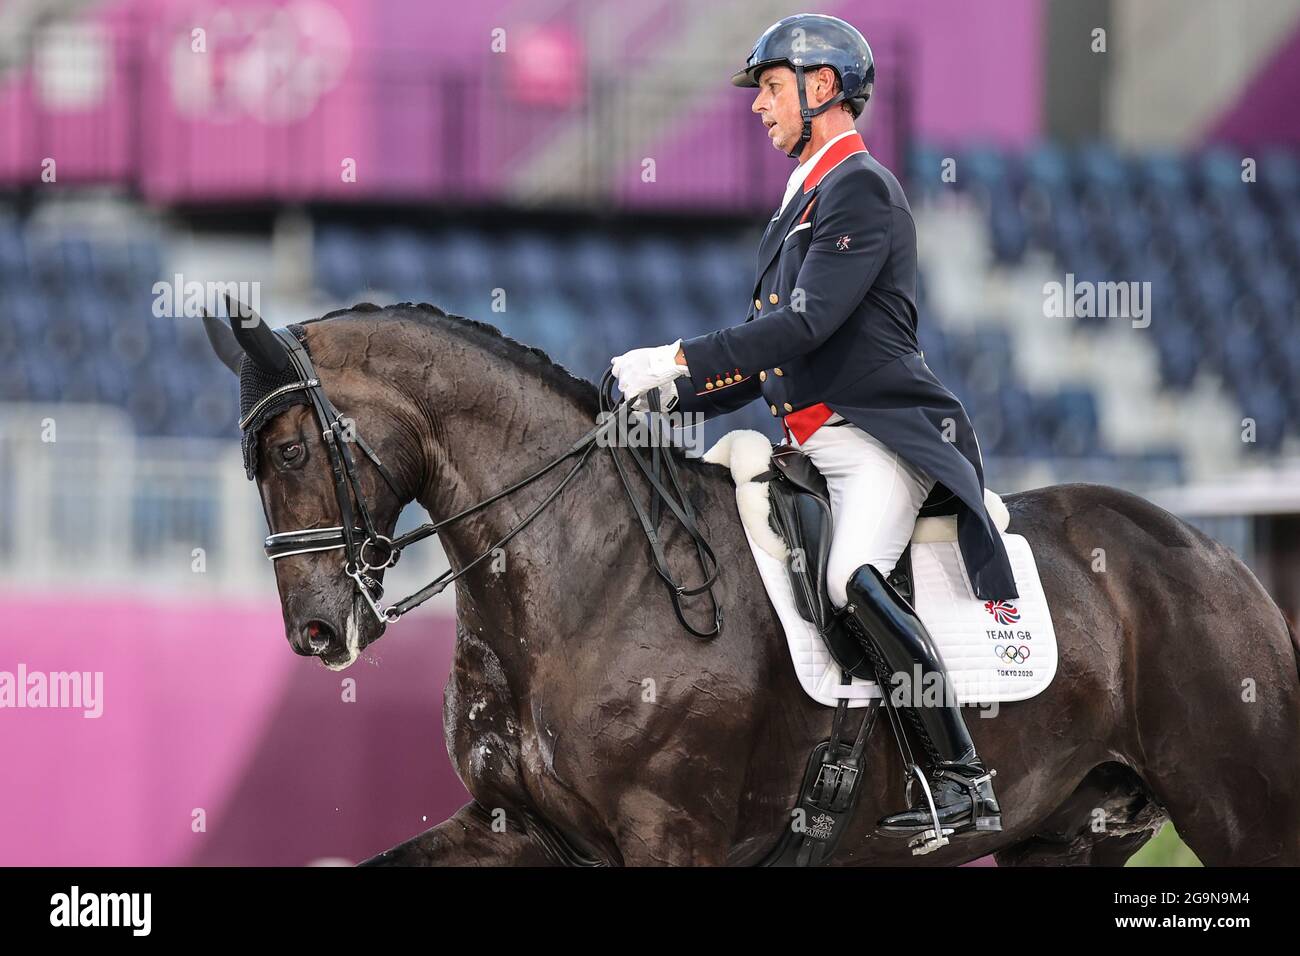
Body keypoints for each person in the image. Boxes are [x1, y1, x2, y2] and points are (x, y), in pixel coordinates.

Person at [610, 14, 1018, 840]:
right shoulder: (799, 202)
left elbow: (803, 326)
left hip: (877, 439)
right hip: (813, 443)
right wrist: (656, 409)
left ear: (820, 87)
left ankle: (960, 777)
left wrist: (674, 355)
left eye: (768, 88)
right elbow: (766, 370)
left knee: (848, 579)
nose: (758, 107)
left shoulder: (861, 188)